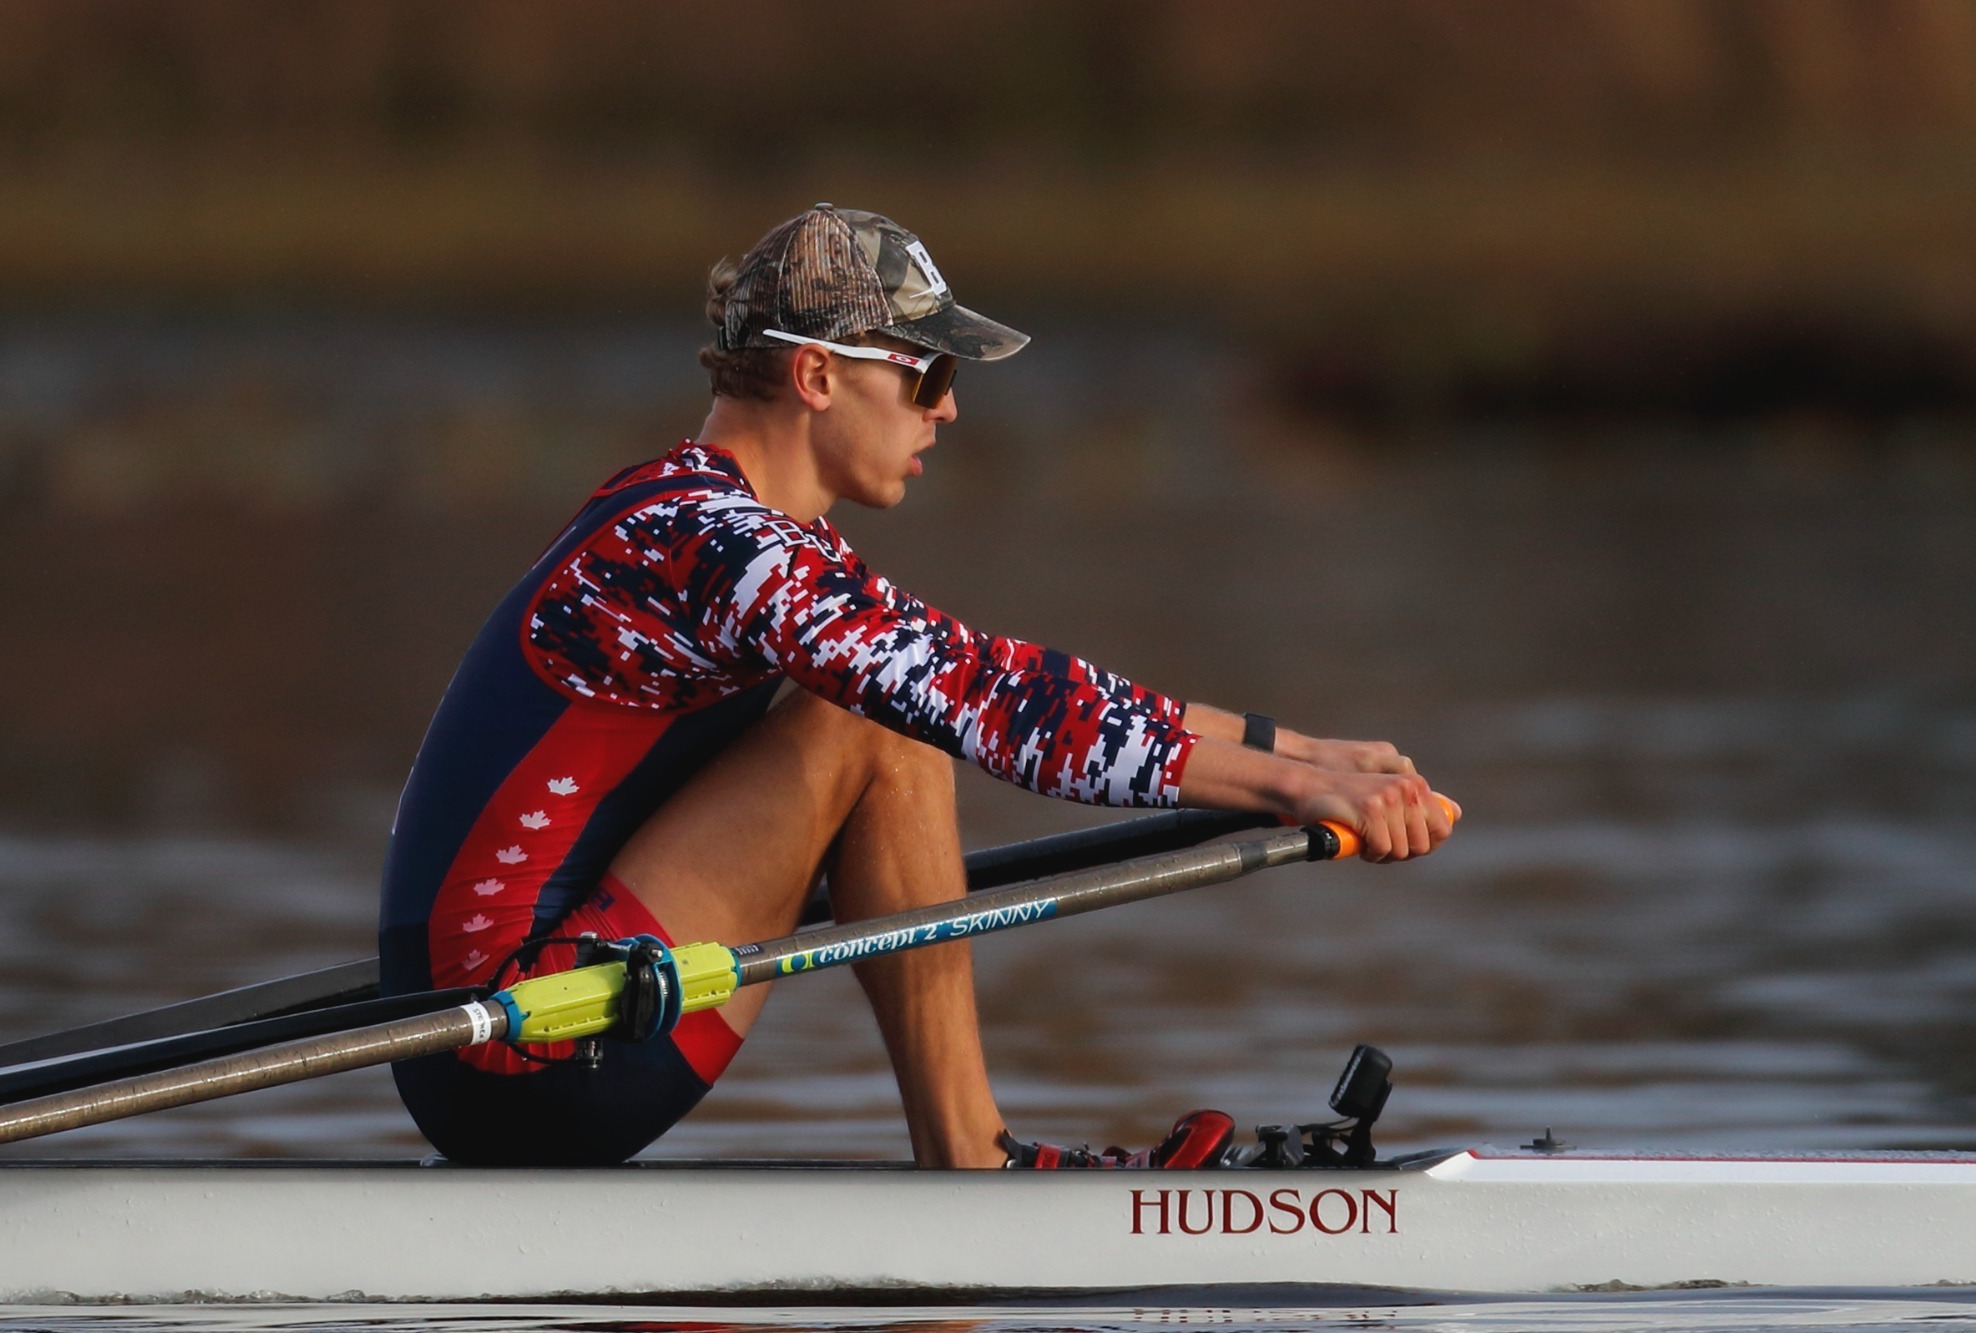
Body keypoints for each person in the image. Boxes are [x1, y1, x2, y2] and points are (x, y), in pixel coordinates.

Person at [378, 203, 1453, 1169]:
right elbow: (996, 712)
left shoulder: (724, 523)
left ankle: (965, 1148)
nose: (945, 412)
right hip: (522, 1037)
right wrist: (1286, 791)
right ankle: (967, 1156)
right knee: (883, 726)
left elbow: (1004, 674)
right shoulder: (713, 541)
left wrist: (1304, 753)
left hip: (570, 1006)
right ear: (816, 377)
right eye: (925, 377)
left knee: (901, 706)